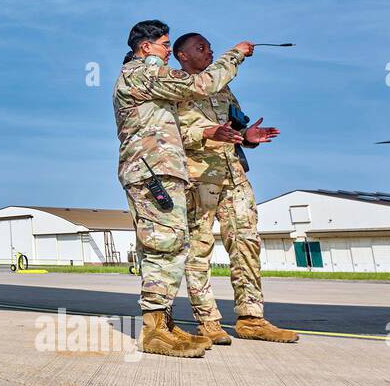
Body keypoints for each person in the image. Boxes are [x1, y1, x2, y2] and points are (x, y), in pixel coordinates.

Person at [113, 19, 254, 358]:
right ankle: (154, 330)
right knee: (165, 244)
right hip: (152, 172)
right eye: (164, 45)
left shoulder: (147, 77)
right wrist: (235, 55)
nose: (167, 52)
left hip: (160, 171)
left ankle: (162, 323)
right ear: (146, 48)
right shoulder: (143, 73)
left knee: (167, 245)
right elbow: (203, 84)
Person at [173, 33, 298, 344]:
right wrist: (209, 132)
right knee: (198, 249)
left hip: (233, 175)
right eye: (200, 48)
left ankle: (251, 318)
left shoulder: (222, 88)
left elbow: (235, 123)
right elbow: (174, 133)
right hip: (199, 178)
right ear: (181, 55)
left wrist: (248, 135)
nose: (208, 52)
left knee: (246, 241)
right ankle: (208, 321)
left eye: (210, 48)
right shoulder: (174, 86)